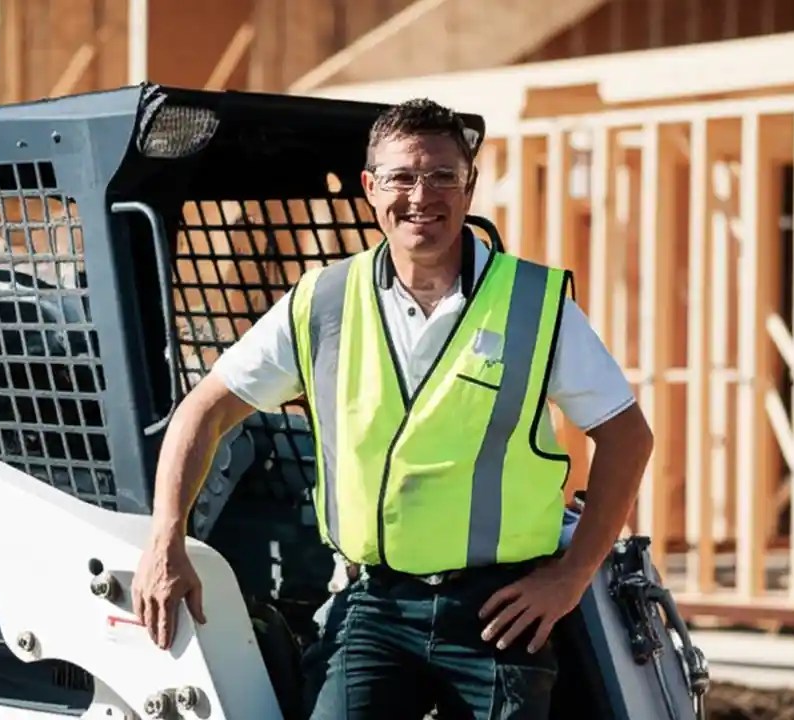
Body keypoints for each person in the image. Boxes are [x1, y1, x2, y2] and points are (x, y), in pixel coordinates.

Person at [131, 98, 653, 719]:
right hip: (371, 603)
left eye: (441, 176)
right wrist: (166, 539)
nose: (421, 195)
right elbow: (205, 410)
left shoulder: (533, 305)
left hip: (497, 613)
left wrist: (569, 577)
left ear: (469, 188)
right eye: (403, 177)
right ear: (371, 188)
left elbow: (627, 437)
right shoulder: (321, 303)